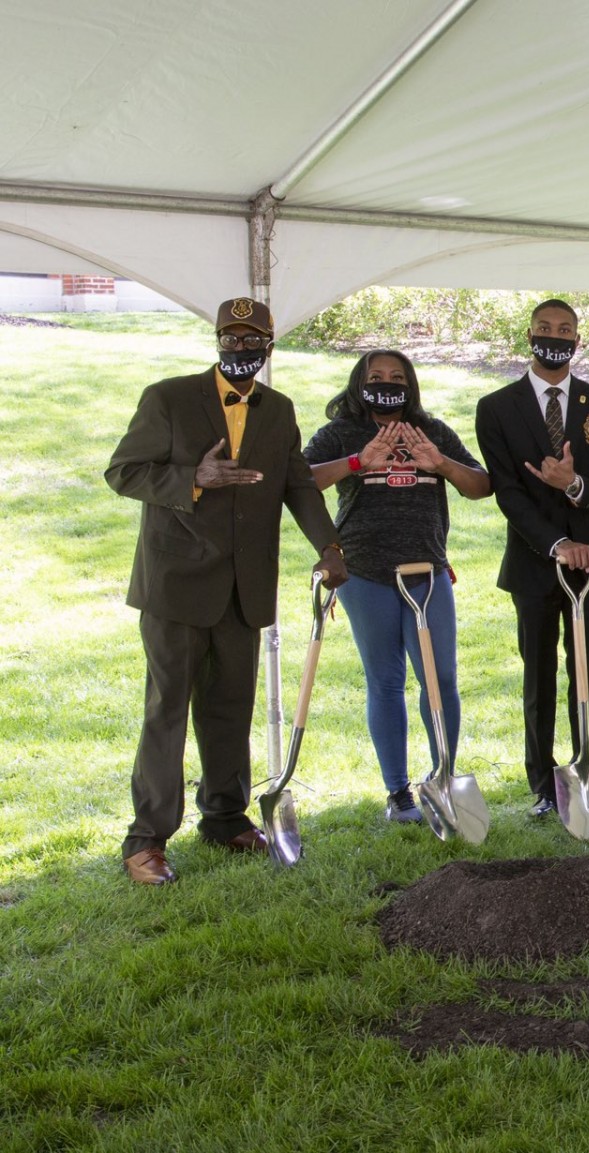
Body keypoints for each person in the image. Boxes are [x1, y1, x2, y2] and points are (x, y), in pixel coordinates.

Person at [104, 297, 347, 885]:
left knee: (230, 708)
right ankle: (146, 840)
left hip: (246, 587)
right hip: (176, 586)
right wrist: (192, 479)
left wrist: (330, 547)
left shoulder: (279, 408)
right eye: (231, 338)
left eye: (253, 340)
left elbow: (297, 483)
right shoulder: (169, 397)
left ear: (268, 346)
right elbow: (124, 471)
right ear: (216, 340)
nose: (242, 349)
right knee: (167, 710)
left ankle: (225, 817)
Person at [304, 350, 491, 824]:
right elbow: (301, 482)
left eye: (397, 377)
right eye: (376, 377)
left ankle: (443, 775)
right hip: (365, 572)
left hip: (428, 572)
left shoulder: (432, 429)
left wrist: (440, 463)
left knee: (440, 679)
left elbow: (480, 485)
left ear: (410, 385)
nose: (387, 384)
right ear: (358, 383)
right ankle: (398, 792)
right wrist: (357, 461)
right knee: (386, 680)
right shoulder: (341, 432)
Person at [473, 299, 589, 818]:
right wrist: (556, 544)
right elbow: (508, 493)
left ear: (577, 340)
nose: (554, 336)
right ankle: (543, 784)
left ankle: (587, 767)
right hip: (534, 562)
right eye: (544, 328)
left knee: (588, 672)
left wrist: (574, 484)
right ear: (529, 334)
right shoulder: (496, 407)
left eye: (565, 330)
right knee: (538, 674)